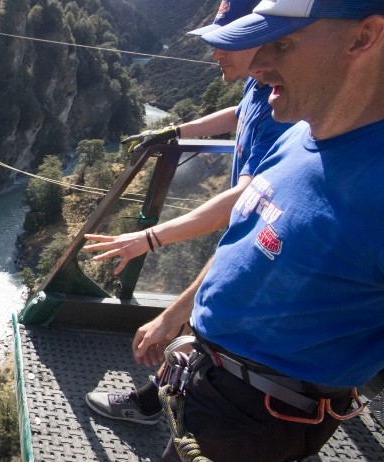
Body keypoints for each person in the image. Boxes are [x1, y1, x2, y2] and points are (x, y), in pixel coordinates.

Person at [137, 1, 384, 462]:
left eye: (283, 44)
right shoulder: (298, 135)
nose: (258, 63)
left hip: (255, 415)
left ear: (363, 38)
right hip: (220, 383)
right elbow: (247, 236)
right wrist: (184, 320)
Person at [83, 0, 293, 426]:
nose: (215, 53)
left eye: (227, 43)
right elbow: (238, 115)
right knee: (209, 319)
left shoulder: (286, 112)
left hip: (259, 231)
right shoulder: (263, 85)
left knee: (209, 321)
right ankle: (167, 404)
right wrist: (175, 131)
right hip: (254, 227)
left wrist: (150, 238)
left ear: (262, 41)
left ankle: (163, 409)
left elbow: (245, 197)